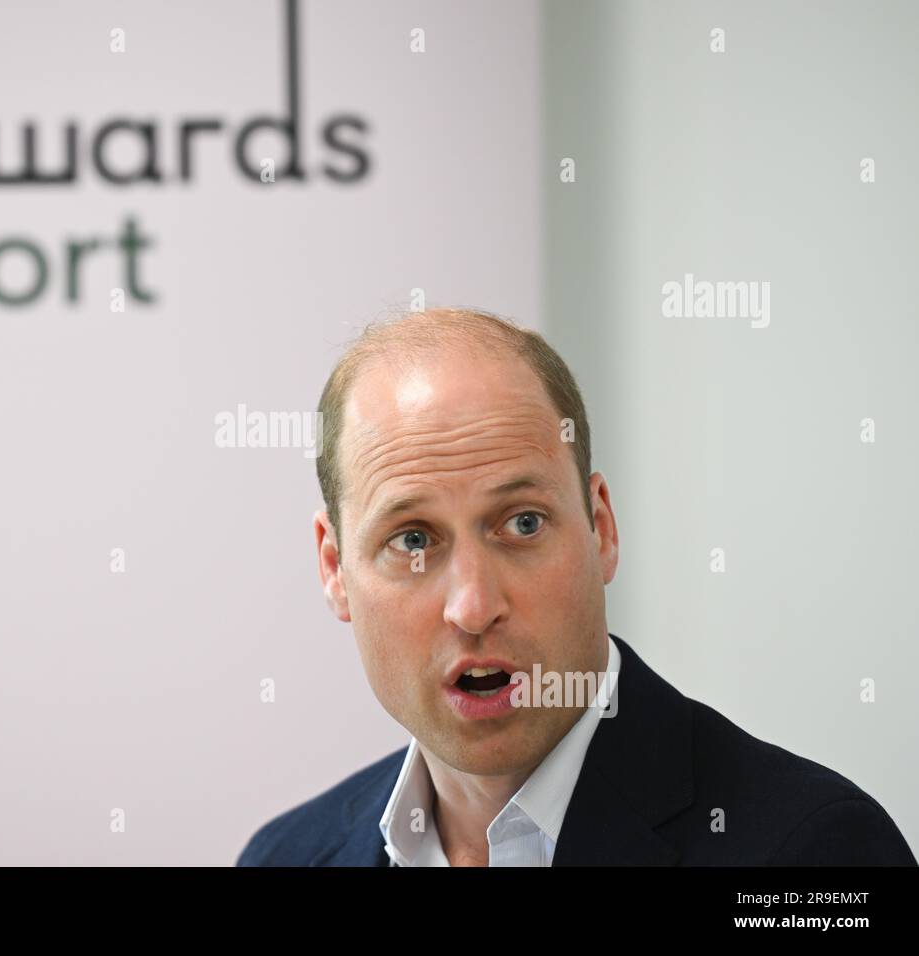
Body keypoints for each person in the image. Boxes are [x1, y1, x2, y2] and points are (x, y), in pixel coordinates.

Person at [236, 307, 916, 867]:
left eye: (522, 523)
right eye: (413, 540)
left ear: (601, 528)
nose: (473, 607)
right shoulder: (285, 857)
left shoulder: (815, 855)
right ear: (334, 569)